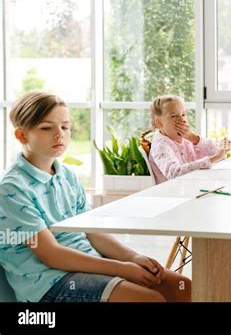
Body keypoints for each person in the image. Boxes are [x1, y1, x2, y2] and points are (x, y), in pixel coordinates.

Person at [0, 92, 191, 302]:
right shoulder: (11, 189)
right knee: (149, 299)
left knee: (182, 288)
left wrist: (133, 258)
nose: (59, 134)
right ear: (22, 136)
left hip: (86, 262)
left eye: (65, 126)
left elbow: (92, 232)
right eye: (47, 127)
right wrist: (121, 269)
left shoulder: (67, 177)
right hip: (48, 283)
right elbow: (51, 254)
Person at [145, 94, 231, 184]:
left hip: (192, 188)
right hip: (174, 194)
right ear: (159, 123)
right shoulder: (160, 145)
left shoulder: (187, 139)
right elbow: (174, 173)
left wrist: (194, 138)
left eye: (183, 114)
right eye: (173, 116)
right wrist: (214, 158)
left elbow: (220, 156)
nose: (182, 119)